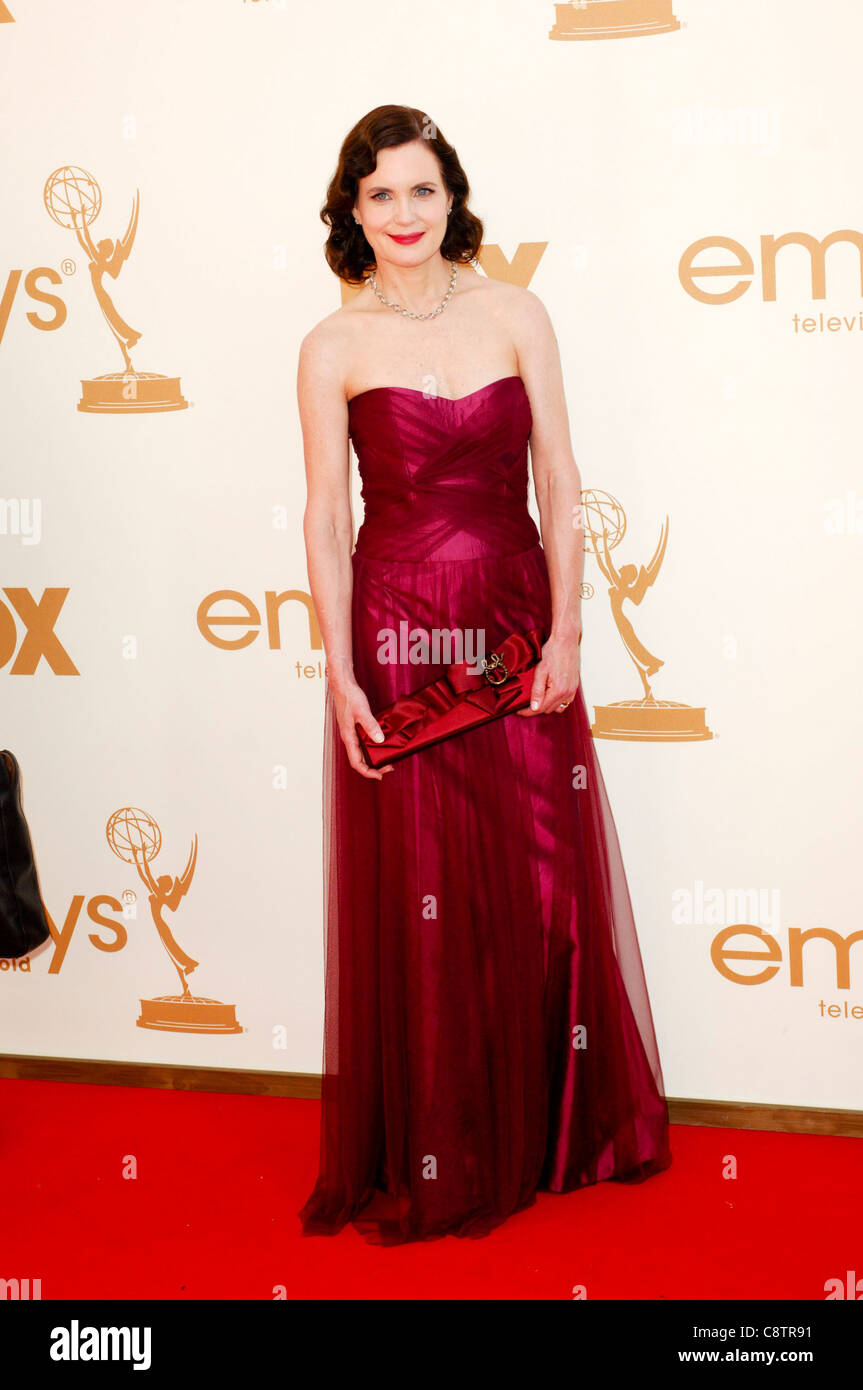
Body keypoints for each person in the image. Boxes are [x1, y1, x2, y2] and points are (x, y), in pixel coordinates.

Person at [297, 104, 671, 1246]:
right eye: (380, 196)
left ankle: (559, 1128)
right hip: (398, 627)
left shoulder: (517, 314)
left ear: (451, 198)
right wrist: (338, 672)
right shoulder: (332, 346)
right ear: (352, 213)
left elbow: (559, 479)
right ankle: (443, 1138)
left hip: (513, 622)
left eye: (421, 190)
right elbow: (324, 518)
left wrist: (566, 632)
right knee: (424, 896)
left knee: (543, 874)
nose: (403, 214)